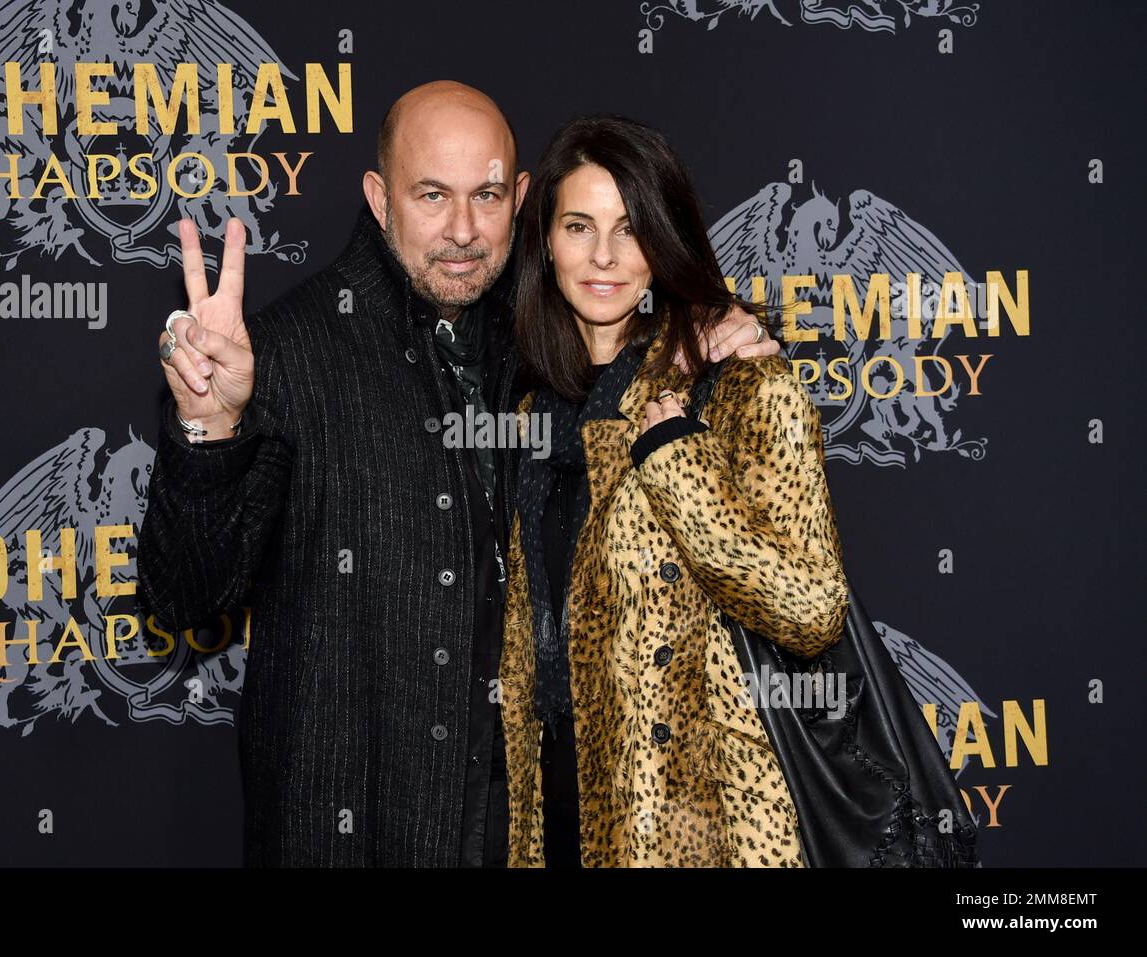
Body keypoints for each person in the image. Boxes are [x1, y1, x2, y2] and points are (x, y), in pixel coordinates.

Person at [137, 82, 780, 867]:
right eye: (432, 196)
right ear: (380, 199)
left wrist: (713, 321)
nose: (464, 231)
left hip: (525, 832)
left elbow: (641, 322)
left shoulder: (543, 335)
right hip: (354, 835)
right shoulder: (291, 350)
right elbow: (187, 595)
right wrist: (210, 425)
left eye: (485, 196)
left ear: (520, 198)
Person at [499, 114, 848, 867]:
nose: (603, 256)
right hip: (551, 821)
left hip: (696, 832)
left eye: (630, 229)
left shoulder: (740, 384)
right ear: (546, 242)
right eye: (578, 226)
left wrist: (677, 461)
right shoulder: (525, 411)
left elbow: (813, 609)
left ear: (663, 241)